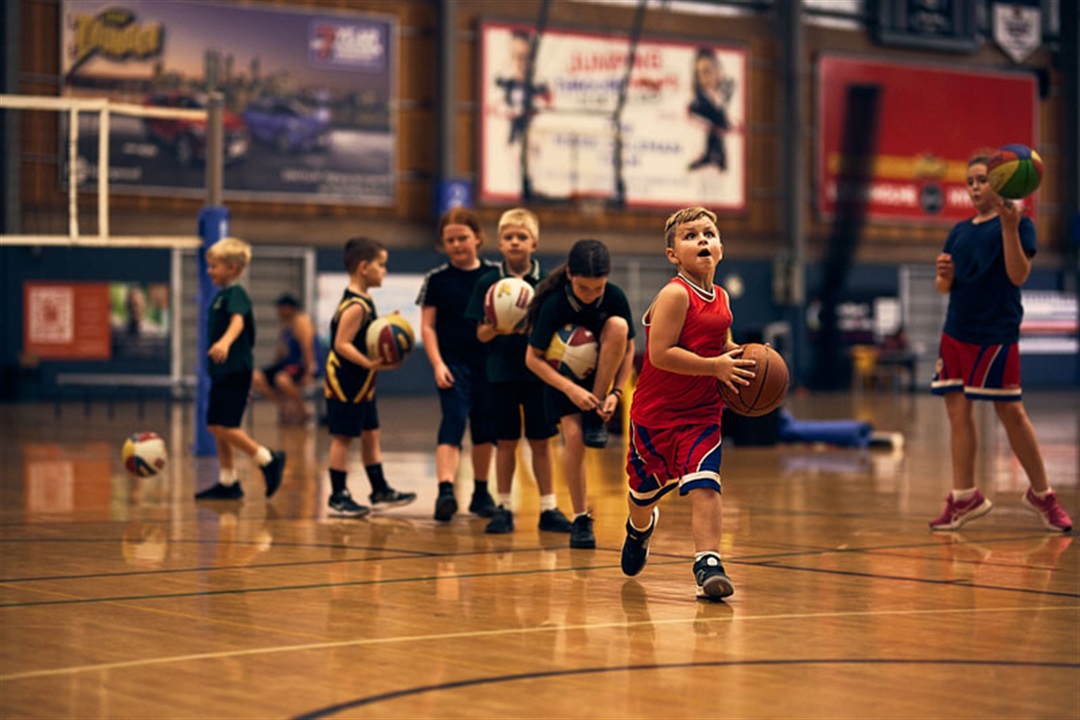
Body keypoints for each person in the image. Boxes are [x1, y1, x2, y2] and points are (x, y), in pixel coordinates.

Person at [928, 150, 1072, 533]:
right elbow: (945, 287)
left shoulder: (1019, 224)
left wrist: (1009, 228)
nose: (975, 187)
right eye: (970, 182)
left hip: (995, 331)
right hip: (956, 330)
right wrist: (943, 274)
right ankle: (964, 496)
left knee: (1010, 412)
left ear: (1002, 180)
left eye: (982, 179)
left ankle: (1042, 495)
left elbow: (1018, 275)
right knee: (957, 411)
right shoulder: (958, 232)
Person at [618, 207, 755, 599]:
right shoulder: (676, 294)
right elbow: (659, 355)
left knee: (706, 484)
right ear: (672, 255)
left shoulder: (723, 297)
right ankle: (639, 528)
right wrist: (715, 365)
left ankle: (708, 563)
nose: (702, 240)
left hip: (701, 414)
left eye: (709, 233)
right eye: (690, 235)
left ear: (721, 248)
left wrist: (743, 356)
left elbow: (720, 346)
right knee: (641, 496)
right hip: (655, 416)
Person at [464, 208, 572, 535]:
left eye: (521, 237)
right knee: (506, 443)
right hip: (500, 375)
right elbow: (480, 334)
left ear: (534, 243)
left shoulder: (547, 283)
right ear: (499, 243)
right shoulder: (488, 282)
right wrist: (500, 326)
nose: (515, 243)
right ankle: (504, 508)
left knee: (541, 442)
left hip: (539, 376)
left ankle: (549, 509)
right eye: (509, 237)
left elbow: (558, 330)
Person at [524, 239, 636, 549]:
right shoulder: (554, 304)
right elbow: (532, 359)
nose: (590, 295)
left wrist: (615, 392)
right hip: (562, 380)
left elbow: (628, 349)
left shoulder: (614, 297)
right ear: (571, 275)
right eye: (584, 288)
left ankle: (596, 413)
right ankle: (580, 517)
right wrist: (571, 389)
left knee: (618, 326)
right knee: (573, 439)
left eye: (597, 289)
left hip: (600, 381)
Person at [324, 237, 417, 518]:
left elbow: (362, 334)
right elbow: (342, 344)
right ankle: (338, 496)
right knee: (343, 437)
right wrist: (370, 363)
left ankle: (379, 490)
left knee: (370, 433)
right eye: (381, 265)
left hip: (361, 380)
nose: (384, 271)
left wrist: (387, 323)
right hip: (347, 379)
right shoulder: (357, 306)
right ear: (364, 267)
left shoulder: (363, 300)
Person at [417, 207, 499, 522]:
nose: (456, 244)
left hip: (488, 365)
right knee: (452, 421)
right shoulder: (436, 280)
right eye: (449, 240)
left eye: (462, 237)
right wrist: (437, 364)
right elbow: (427, 327)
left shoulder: (494, 275)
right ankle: (446, 491)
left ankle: (481, 493)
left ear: (477, 238)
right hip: (453, 365)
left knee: (485, 430)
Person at [194, 237, 286, 500]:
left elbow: (237, 323)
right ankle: (228, 482)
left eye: (214, 266)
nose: (209, 271)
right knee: (216, 426)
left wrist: (224, 341)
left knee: (226, 427)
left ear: (232, 268)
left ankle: (268, 459)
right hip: (221, 372)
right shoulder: (221, 296)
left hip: (236, 370)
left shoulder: (236, 294)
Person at [251, 293, 320, 424]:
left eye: (280, 308)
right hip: (288, 364)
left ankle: (303, 410)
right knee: (256, 377)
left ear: (289, 308)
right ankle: (285, 407)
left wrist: (309, 372)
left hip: (302, 364)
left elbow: (307, 349)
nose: (278, 311)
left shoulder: (302, 321)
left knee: (281, 379)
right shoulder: (285, 325)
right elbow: (281, 352)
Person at [687, 47, 734, 172]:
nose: (703, 78)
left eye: (707, 71)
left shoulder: (729, 87)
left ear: (719, 70)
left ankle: (712, 157)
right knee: (717, 119)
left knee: (716, 119)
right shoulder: (701, 97)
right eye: (699, 73)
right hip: (709, 114)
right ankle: (716, 158)